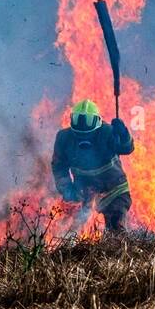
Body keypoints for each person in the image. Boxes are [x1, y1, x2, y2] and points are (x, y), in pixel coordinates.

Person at [50, 99, 135, 233]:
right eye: (79, 135)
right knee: (71, 233)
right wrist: (67, 189)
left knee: (116, 230)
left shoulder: (108, 132)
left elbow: (126, 148)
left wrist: (123, 134)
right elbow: (59, 166)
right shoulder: (64, 138)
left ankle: (117, 250)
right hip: (84, 192)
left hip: (113, 191)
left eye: (88, 135)